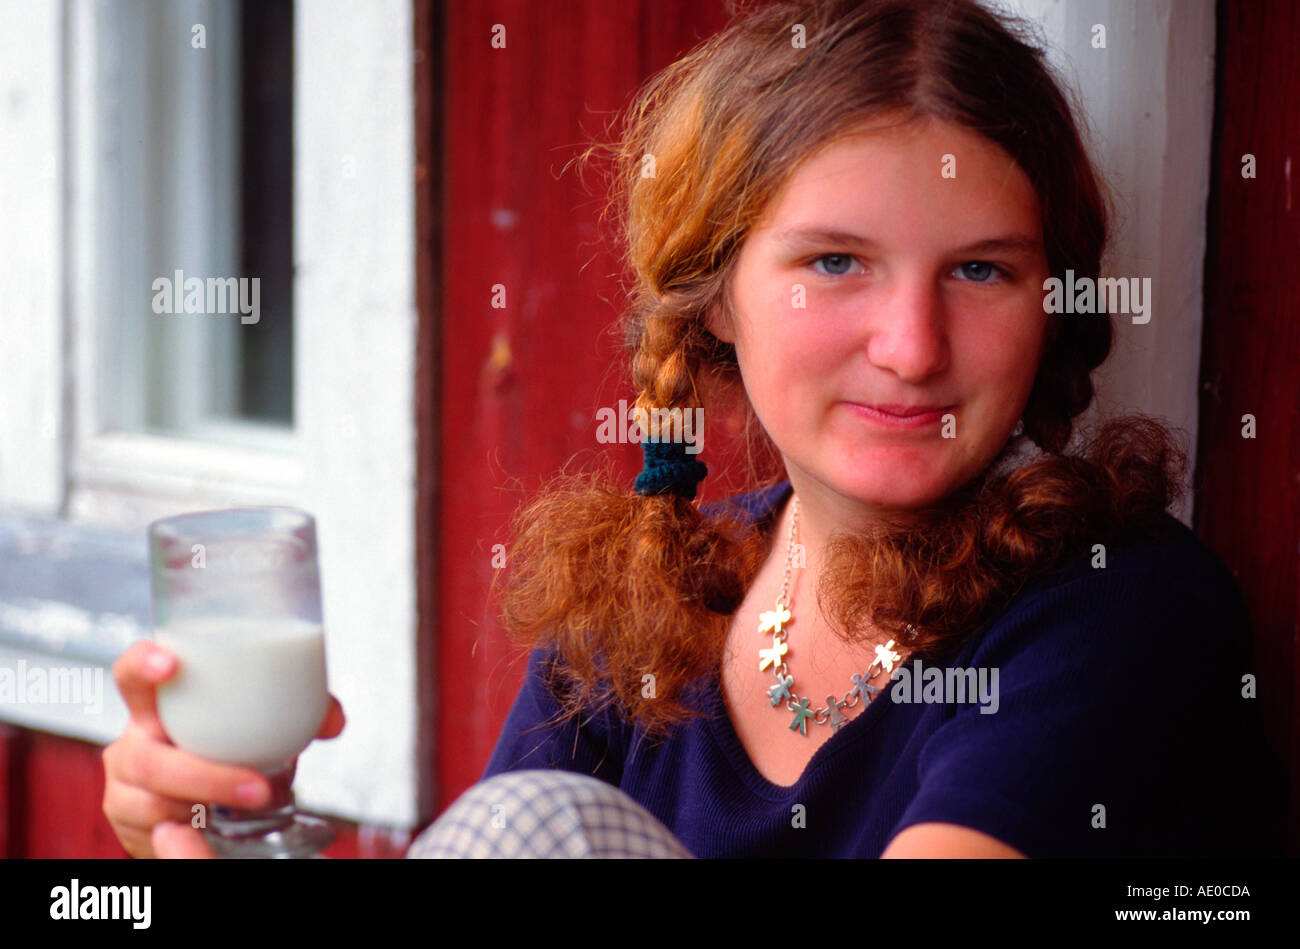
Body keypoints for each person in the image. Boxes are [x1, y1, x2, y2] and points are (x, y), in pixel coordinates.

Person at [104, 0, 1286, 859]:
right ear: (716, 294)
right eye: (835, 262)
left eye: (980, 271)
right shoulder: (646, 613)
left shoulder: (1116, 608)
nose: (913, 345)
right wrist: (248, 831)